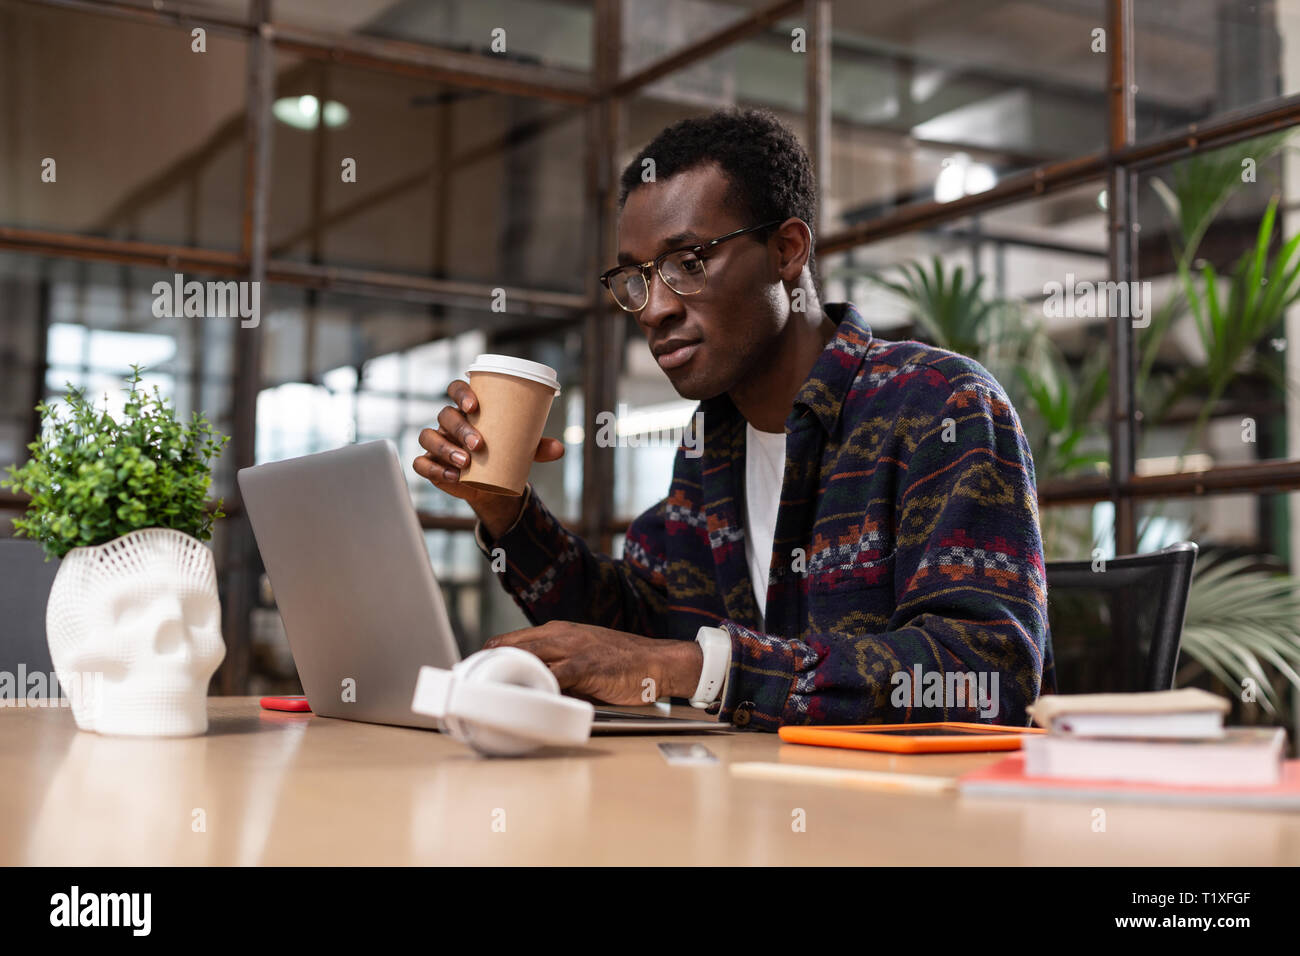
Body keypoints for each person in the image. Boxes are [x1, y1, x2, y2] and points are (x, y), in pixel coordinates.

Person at [413, 107, 1052, 731]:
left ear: (786, 250)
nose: (653, 308)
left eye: (688, 262)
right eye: (635, 277)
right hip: (754, 809)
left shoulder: (941, 405)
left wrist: (690, 667)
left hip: (908, 828)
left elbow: (988, 673)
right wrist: (504, 509)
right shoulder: (709, 443)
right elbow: (637, 630)